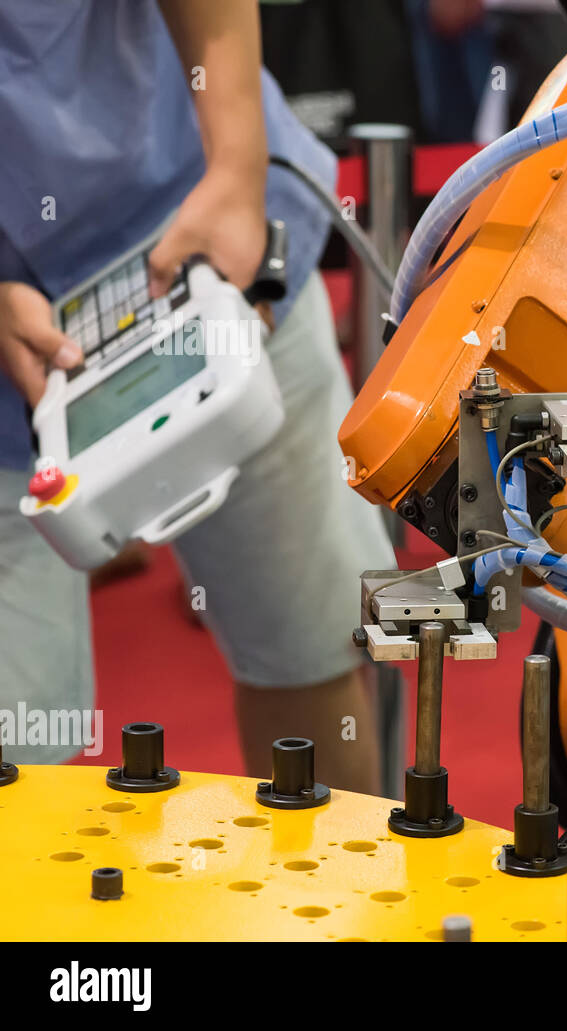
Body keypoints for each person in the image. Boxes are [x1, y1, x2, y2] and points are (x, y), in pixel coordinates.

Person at [0, 1, 394, 791]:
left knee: (311, 656)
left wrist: (237, 169)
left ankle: (339, 878)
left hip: (209, 232)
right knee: (18, 746)